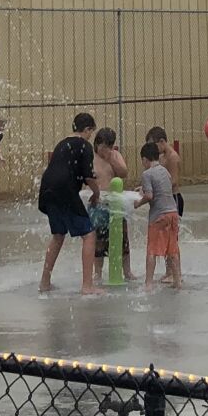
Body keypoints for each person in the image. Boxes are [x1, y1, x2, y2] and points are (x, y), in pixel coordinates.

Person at [38, 112, 102, 294]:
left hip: (47, 190)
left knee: (58, 235)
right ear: (87, 129)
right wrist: (96, 193)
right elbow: (88, 177)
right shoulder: (84, 145)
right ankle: (87, 286)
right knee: (89, 235)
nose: (90, 136)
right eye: (91, 132)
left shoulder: (62, 144)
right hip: (64, 190)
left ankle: (44, 282)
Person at [137, 140, 182, 288]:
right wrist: (143, 189)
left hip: (159, 216)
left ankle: (148, 284)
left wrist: (138, 203)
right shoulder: (165, 171)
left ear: (145, 159)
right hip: (173, 213)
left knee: (152, 251)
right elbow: (163, 187)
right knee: (173, 250)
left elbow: (150, 196)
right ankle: (177, 281)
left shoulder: (147, 174)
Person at [90, 127, 132, 285]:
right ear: (97, 144)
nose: (104, 150)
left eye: (109, 146)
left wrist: (111, 159)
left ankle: (127, 271)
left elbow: (124, 173)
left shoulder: (115, 155)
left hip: (115, 204)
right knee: (98, 240)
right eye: (102, 147)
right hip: (98, 204)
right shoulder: (91, 157)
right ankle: (98, 273)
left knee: (122, 239)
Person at [144, 126, 184, 216]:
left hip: (173, 198)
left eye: (154, 146)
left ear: (162, 141)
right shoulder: (161, 157)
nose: (152, 149)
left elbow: (174, 181)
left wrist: (153, 187)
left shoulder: (172, 157)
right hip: (163, 199)